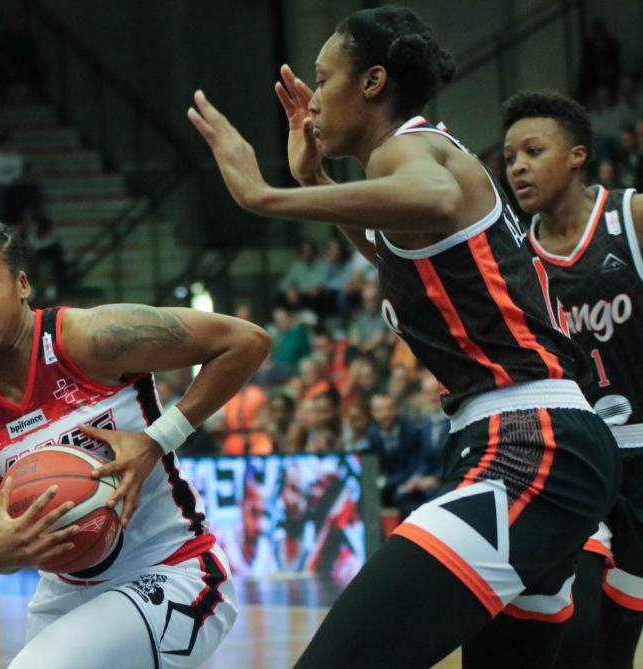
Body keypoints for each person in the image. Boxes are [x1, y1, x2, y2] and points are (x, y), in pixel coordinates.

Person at [188, 6, 616, 666]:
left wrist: (262, 196)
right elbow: (404, 243)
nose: (314, 94)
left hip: (530, 443)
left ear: (372, 83)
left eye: (324, 77)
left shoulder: (408, 150)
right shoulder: (424, 154)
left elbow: (436, 198)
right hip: (528, 441)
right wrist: (314, 181)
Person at [0, 201, 270, 668]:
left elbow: (246, 342)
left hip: (175, 569)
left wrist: (158, 438)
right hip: (68, 592)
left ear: (22, 284)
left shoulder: (91, 337)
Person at [502, 90, 643, 668]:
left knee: (615, 638)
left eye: (533, 151)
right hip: (576, 458)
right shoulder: (515, 257)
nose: (517, 167)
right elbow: (405, 255)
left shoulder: (630, 218)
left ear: (578, 155)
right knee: (574, 630)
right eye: (509, 157)